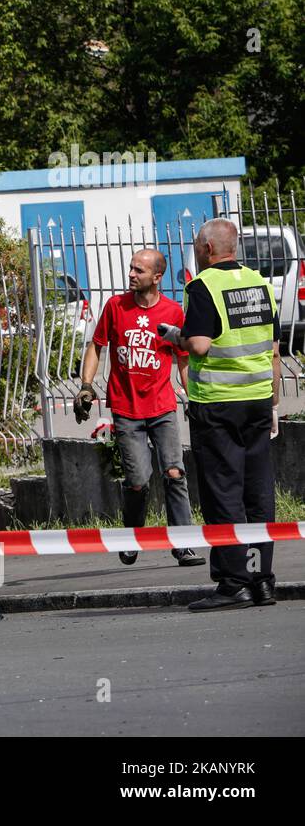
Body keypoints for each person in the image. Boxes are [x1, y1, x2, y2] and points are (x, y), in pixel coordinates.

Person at [156, 219, 280, 611]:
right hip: (259, 400)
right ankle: (262, 580)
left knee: (223, 493)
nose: (194, 251)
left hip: (218, 404)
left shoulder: (203, 286)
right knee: (258, 492)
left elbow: (200, 345)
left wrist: (173, 335)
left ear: (209, 248)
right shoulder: (261, 284)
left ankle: (233, 583)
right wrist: (274, 404)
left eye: (195, 245)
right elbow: (274, 351)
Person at [74, 248, 202, 567]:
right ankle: (131, 536)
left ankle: (183, 543)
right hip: (126, 409)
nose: (131, 275)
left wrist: (196, 400)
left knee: (174, 472)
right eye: (131, 268)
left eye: (139, 271)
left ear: (156, 277)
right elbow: (96, 346)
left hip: (161, 406)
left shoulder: (173, 313)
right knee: (138, 481)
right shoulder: (116, 307)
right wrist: (86, 385)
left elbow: (183, 360)